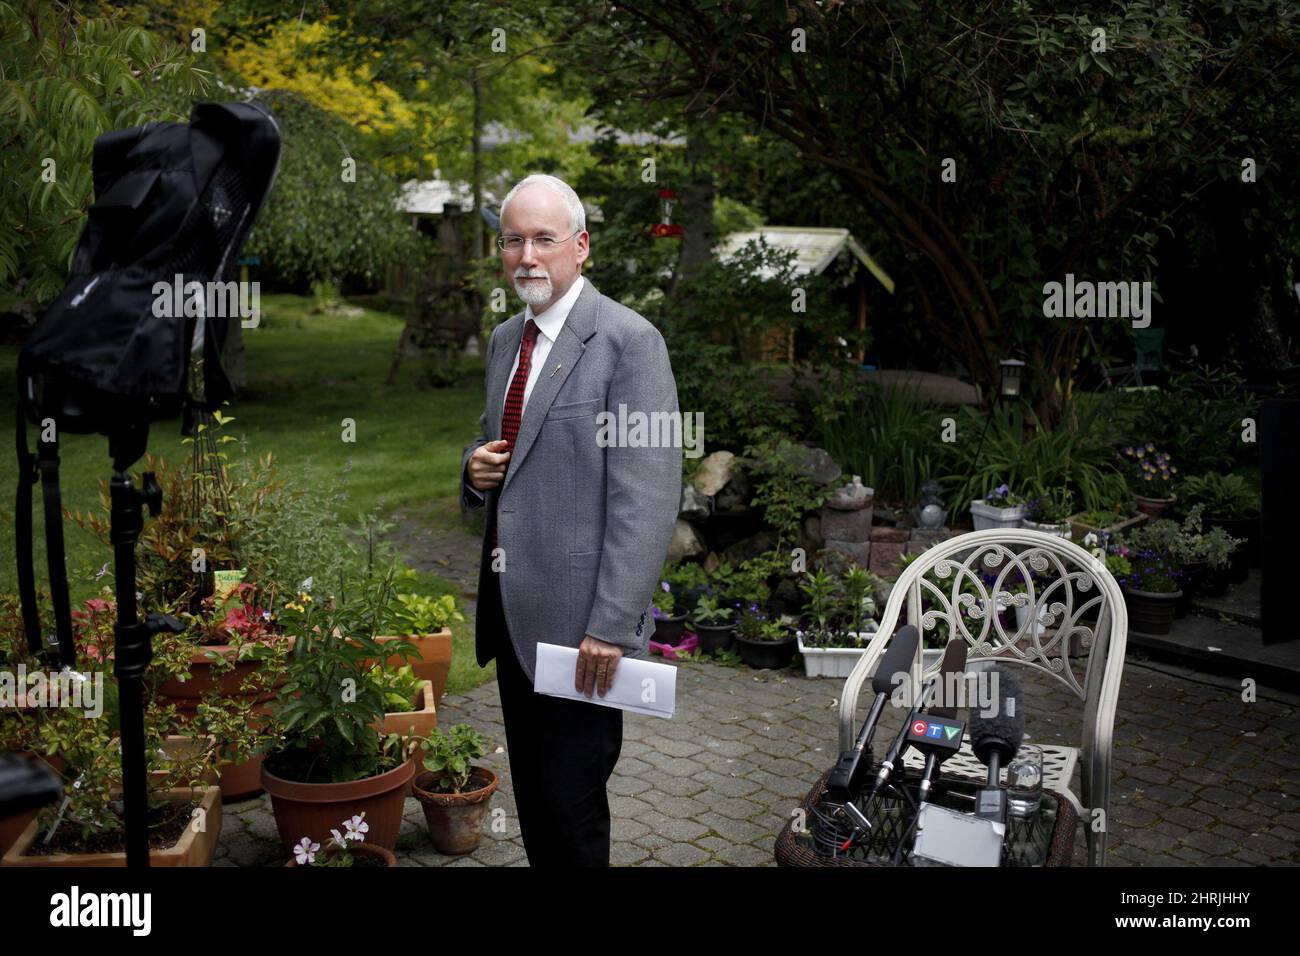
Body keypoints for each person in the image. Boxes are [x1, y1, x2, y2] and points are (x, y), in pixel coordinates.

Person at [460, 173, 681, 866]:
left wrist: (610, 626)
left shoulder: (629, 343)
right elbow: (496, 446)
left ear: (580, 247)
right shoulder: (505, 340)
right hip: (511, 616)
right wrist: (472, 468)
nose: (526, 255)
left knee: (573, 809)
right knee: (536, 808)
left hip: (582, 632)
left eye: (544, 239)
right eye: (513, 240)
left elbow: (644, 497)